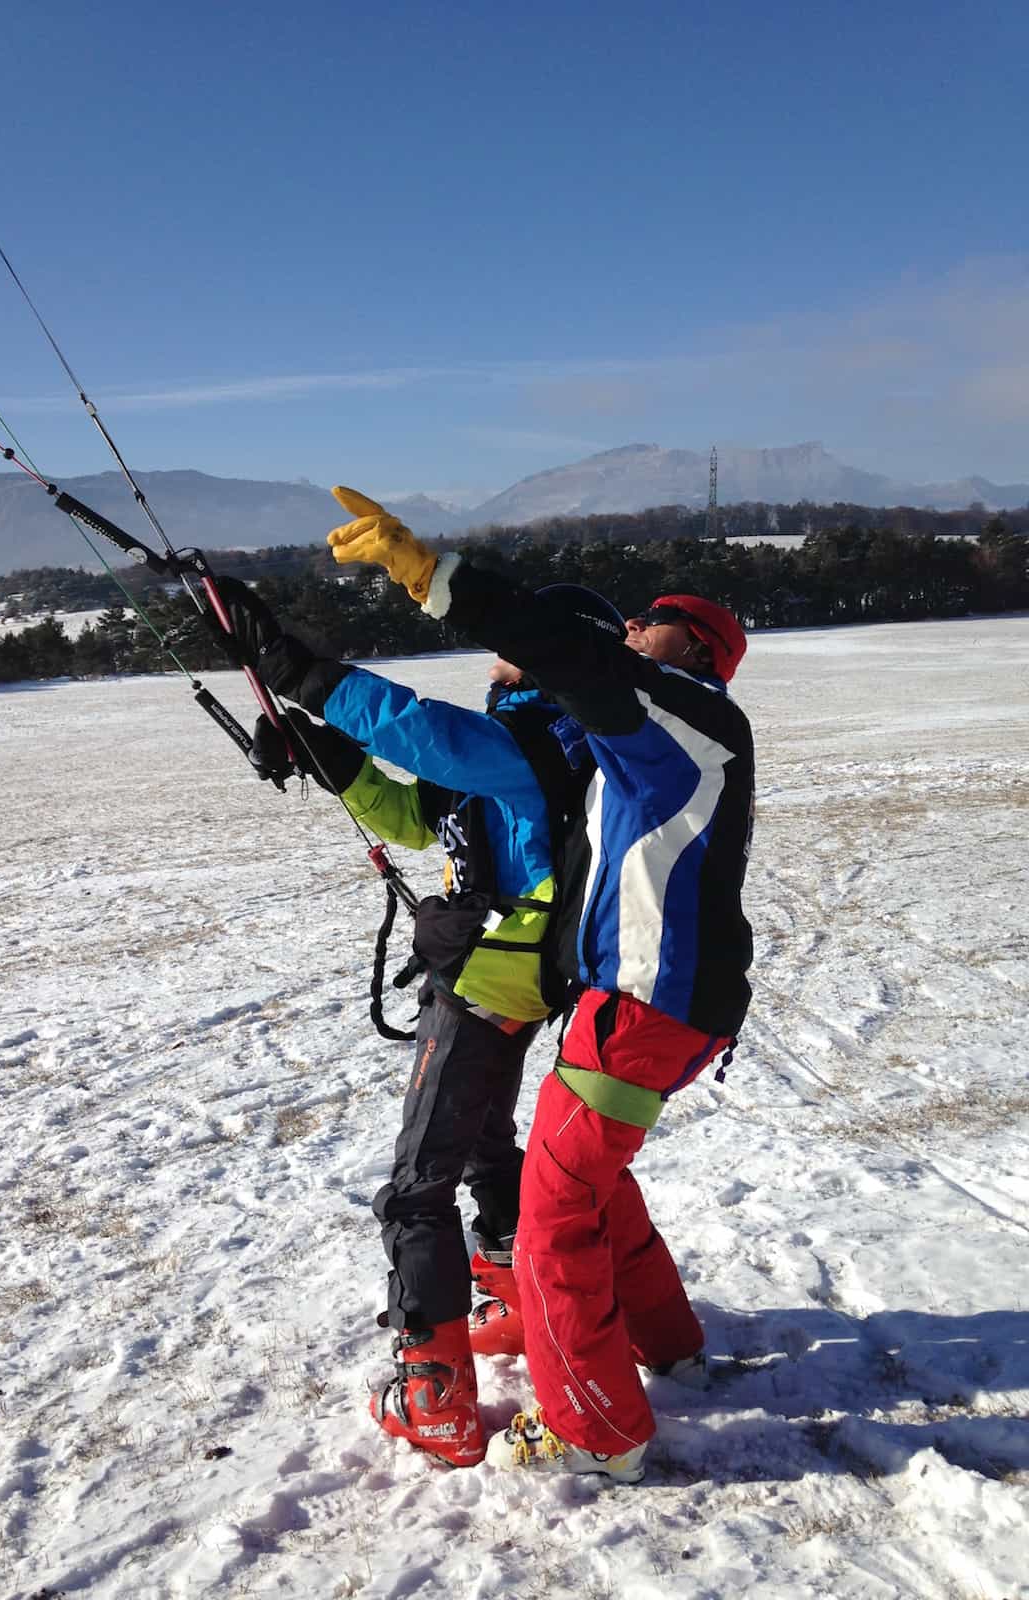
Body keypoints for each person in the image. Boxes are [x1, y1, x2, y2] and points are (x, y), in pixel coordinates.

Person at [319, 488, 755, 1485]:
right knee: (587, 1182)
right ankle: (668, 1337)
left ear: (696, 650)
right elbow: (454, 792)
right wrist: (340, 764)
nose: (636, 625)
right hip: (646, 1002)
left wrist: (430, 578)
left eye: (655, 622)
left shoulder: (684, 719)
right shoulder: (638, 734)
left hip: (644, 1004)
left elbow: (561, 671)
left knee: (554, 1215)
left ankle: (597, 1428)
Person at [227, 589, 614, 1467]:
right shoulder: (516, 745)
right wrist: (329, 759)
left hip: (490, 976)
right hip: (505, 971)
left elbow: (416, 728)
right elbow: (418, 814)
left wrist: (300, 673)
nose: (495, 662)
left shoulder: (542, 735)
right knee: (481, 1139)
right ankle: (511, 1294)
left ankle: (432, 1391)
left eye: (511, 650)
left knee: (415, 1185)